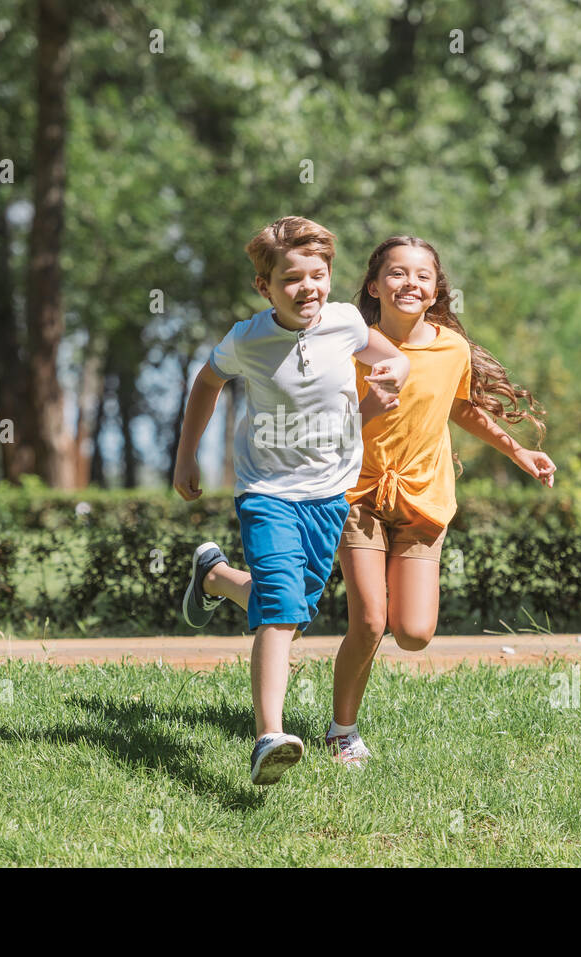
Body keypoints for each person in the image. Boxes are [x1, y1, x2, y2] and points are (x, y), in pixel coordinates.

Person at [171, 216, 410, 786]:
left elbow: (390, 355)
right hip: (267, 493)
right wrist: (185, 456)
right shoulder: (246, 339)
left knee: (289, 613)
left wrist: (393, 374)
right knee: (280, 611)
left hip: (329, 494)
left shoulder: (348, 323)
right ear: (265, 287)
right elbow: (207, 383)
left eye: (319, 275)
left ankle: (215, 577)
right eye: (293, 279)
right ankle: (268, 737)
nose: (309, 289)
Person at [326, 235, 556, 768]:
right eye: (397, 273)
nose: (410, 283)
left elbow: (464, 407)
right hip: (356, 492)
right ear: (373, 285)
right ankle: (342, 731)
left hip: (424, 498)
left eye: (422, 276)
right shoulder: (351, 342)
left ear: (435, 290)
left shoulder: (450, 348)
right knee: (369, 622)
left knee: (413, 633)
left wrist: (518, 450)